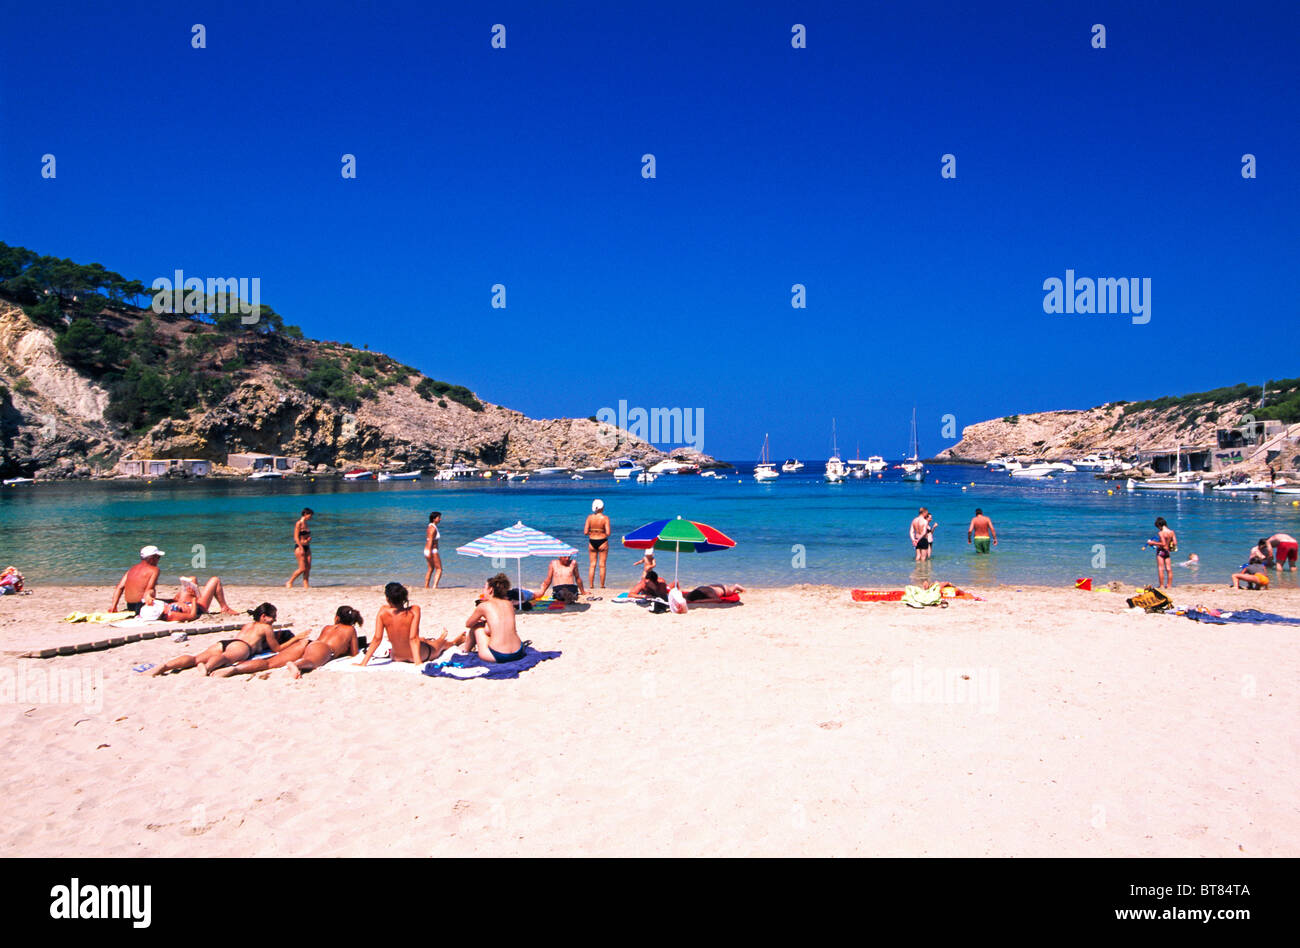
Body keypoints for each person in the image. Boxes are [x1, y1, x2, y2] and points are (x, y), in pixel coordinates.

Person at [215, 605, 362, 678]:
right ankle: (297, 665)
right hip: (324, 649)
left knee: (270, 663)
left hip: (308, 643)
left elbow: (316, 643)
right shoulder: (350, 630)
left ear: (336, 618)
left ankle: (234, 669)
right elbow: (354, 652)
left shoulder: (328, 627)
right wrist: (343, 650)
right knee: (310, 661)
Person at [149, 603, 284, 677]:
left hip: (227, 642)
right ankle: (207, 668)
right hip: (242, 647)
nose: (275, 620)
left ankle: (165, 666)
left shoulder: (248, 625)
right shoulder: (266, 627)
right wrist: (296, 638)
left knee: (196, 658)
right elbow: (276, 649)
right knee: (225, 657)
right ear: (264, 617)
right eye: (273, 617)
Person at [360, 582, 458, 665]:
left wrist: (363, 663)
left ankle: (438, 639)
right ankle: (451, 641)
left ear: (388, 599)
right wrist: (418, 662)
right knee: (441, 644)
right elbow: (413, 638)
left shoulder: (382, 611)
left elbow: (377, 639)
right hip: (417, 655)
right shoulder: (414, 610)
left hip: (396, 656)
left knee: (423, 640)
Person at [463, 573, 528, 663]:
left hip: (498, 655)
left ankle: (466, 651)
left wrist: (479, 622)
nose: (483, 591)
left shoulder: (483, 606)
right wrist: (487, 622)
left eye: (484, 588)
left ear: (490, 590)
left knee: (476, 627)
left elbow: (468, 624)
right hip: (518, 652)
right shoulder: (509, 604)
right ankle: (466, 650)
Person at [110, 545, 164, 613]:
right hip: (143, 606)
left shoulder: (132, 569)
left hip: (130, 606)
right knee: (174, 605)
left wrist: (113, 606)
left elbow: (119, 587)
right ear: (152, 558)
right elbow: (149, 589)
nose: (158, 560)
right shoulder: (155, 570)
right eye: (158, 557)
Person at [160, 575, 240, 621]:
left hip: (183, 603)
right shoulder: (170, 615)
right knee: (215, 580)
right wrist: (194, 599)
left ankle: (196, 594)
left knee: (192, 579)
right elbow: (192, 616)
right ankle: (224, 607)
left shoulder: (154, 605)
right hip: (197, 608)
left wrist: (175, 599)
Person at [584, 499, 611, 588]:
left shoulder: (589, 517)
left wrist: (593, 532)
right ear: (602, 508)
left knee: (592, 564)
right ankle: (602, 585)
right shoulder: (605, 518)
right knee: (602, 565)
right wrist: (600, 532)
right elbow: (608, 533)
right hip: (602, 541)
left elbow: (585, 532)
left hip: (592, 541)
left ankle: (591, 585)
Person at [1145, 517, 1178, 590]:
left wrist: (1152, 543)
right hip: (1167, 551)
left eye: (1158, 527)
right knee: (1169, 569)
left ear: (1160, 525)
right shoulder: (1171, 532)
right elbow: (1175, 543)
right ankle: (1169, 586)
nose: (1158, 528)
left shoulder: (1161, 533)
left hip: (1161, 551)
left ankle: (1162, 586)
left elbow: (1162, 543)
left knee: (1161, 568)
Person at [285, 509, 314, 588]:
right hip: (299, 547)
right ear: (305, 514)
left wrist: (308, 538)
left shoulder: (306, 524)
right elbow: (296, 537)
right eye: (310, 515)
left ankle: (306, 584)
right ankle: (290, 582)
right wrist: (301, 547)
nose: (310, 517)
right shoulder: (299, 523)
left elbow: (305, 535)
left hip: (307, 546)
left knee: (308, 567)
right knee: (302, 568)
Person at [423, 511, 443, 588]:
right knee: (439, 569)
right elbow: (430, 540)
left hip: (428, 550)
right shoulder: (432, 528)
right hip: (432, 550)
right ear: (434, 519)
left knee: (431, 568)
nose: (440, 519)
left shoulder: (430, 526)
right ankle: (435, 586)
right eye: (439, 517)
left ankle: (426, 585)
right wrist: (429, 552)